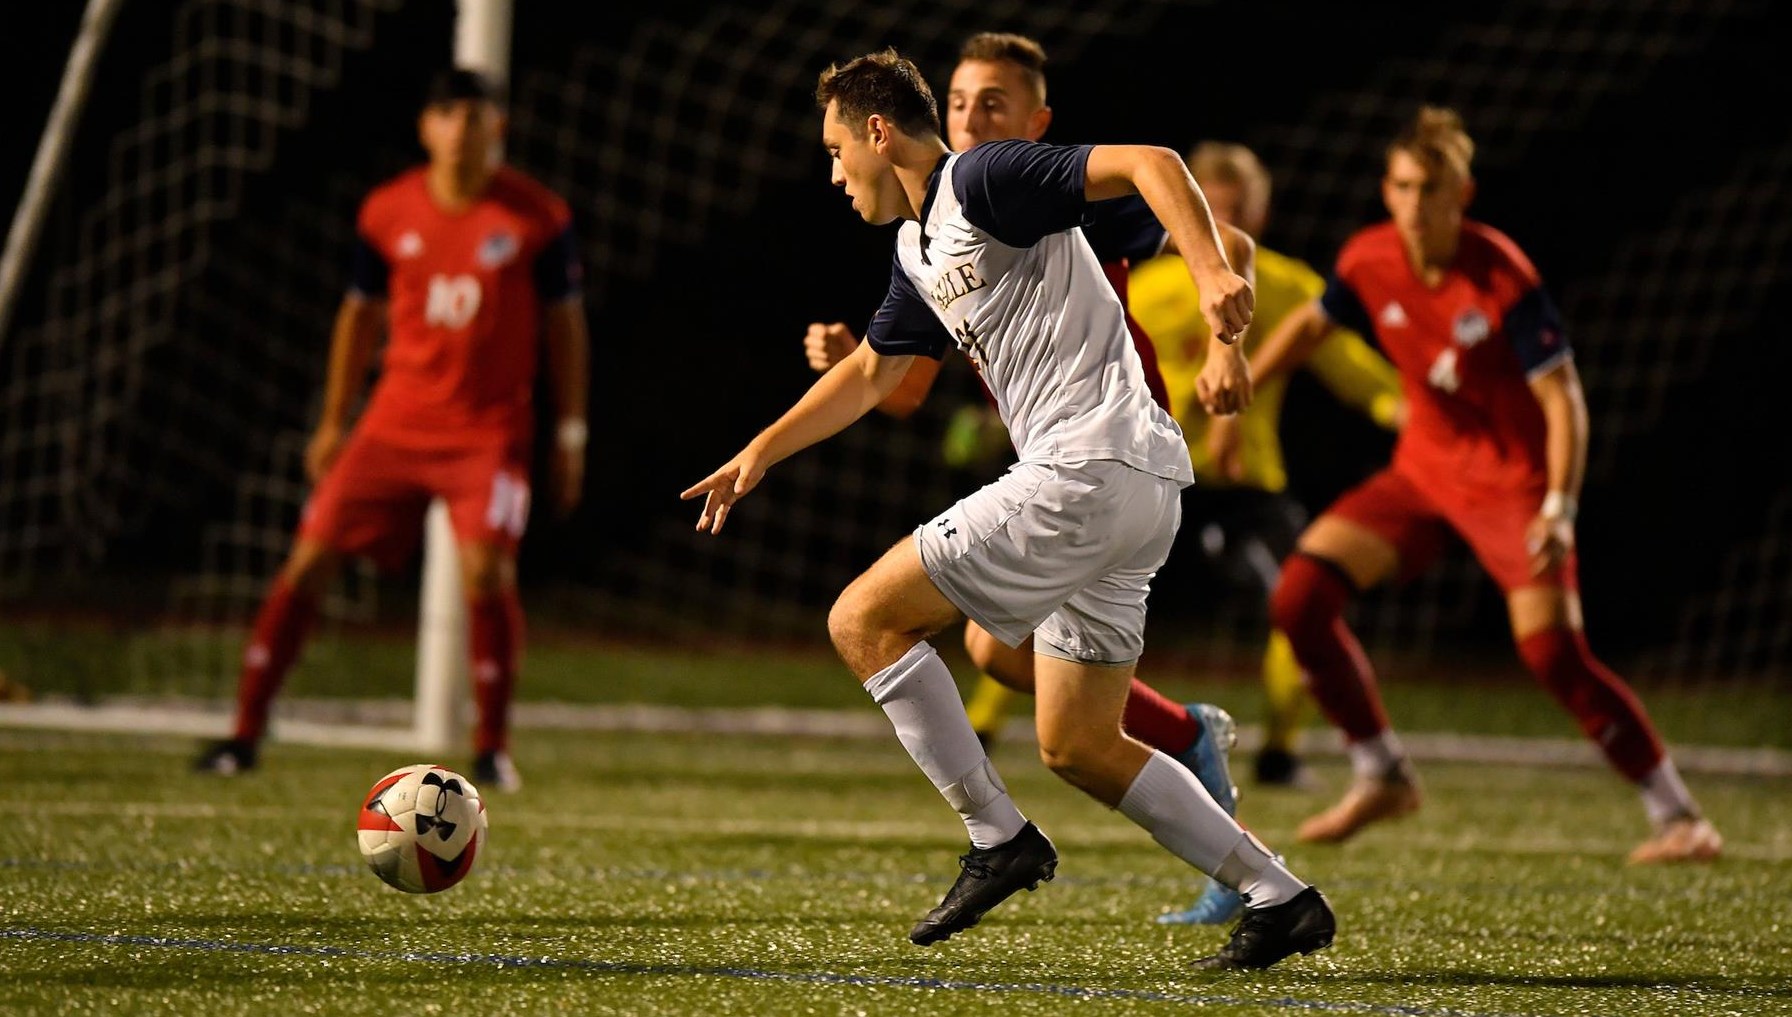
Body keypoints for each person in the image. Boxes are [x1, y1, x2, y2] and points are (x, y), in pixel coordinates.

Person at [690, 48, 1334, 970]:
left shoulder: (985, 178)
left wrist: (1209, 281)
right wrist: (759, 450)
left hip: (1090, 466)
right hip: (1136, 486)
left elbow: (1154, 161)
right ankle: (1283, 895)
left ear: (879, 132)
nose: (833, 173)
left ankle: (998, 836)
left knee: (863, 619)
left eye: (837, 150)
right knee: (1077, 742)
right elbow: (875, 373)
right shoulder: (914, 248)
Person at [800, 32, 1248, 926]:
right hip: (1055, 457)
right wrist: (857, 360)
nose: (970, 117)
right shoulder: (933, 233)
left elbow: (1212, 224)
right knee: (1007, 665)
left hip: (1107, 447)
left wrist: (1224, 326)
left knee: (878, 620)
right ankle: (1238, 831)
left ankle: (1009, 832)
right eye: (960, 102)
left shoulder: (1018, 184)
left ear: (1035, 123)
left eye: (992, 105)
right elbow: (904, 384)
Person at [1224, 106, 1722, 863]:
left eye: (1431, 189)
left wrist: (1558, 504)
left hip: (1511, 482)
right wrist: (1243, 385)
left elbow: (1565, 400)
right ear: (1386, 192)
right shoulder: (1368, 259)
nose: (1414, 204)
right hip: (1423, 469)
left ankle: (1679, 816)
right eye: (1401, 187)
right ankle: (1381, 771)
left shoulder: (1501, 274)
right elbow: (1312, 324)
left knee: (1553, 652)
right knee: (1300, 596)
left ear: (1462, 194)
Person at [193, 68, 590, 794]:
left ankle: (493, 749)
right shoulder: (386, 211)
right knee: (308, 559)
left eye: (477, 115)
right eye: (448, 114)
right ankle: (243, 732)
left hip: (488, 432)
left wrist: (570, 433)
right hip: (395, 421)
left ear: (498, 128)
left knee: (487, 571)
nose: (462, 128)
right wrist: (332, 422)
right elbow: (358, 316)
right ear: (425, 128)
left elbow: (566, 326)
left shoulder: (539, 217)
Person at [1128, 141, 1404, 793]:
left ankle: (1279, 752)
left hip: (1249, 485)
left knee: (1300, 600)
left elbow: (1357, 373)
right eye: (1212, 208)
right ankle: (989, 725)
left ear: (1261, 209)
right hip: (1155, 476)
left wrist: (1410, 412)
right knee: (1068, 597)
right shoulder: (1143, 287)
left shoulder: (1286, 285)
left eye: (1236, 209)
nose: (1223, 225)